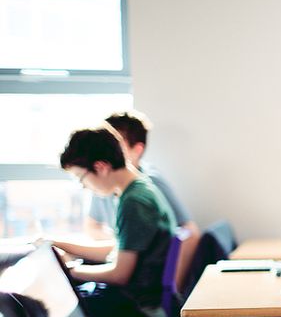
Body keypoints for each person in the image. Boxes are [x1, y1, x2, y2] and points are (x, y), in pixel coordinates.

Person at [56, 126, 176, 317]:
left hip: (134, 305)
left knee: (45, 308)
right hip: (134, 298)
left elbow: (120, 274)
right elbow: (120, 249)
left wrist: (67, 271)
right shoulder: (138, 189)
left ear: (100, 167)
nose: (83, 186)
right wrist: (60, 244)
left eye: (80, 178)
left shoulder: (135, 201)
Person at [81, 111, 200, 292]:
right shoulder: (102, 184)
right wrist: (122, 243)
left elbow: (190, 232)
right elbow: (92, 227)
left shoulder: (143, 190)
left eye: (116, 144)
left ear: (137, 150)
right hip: (125, 258)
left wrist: (172, 290)